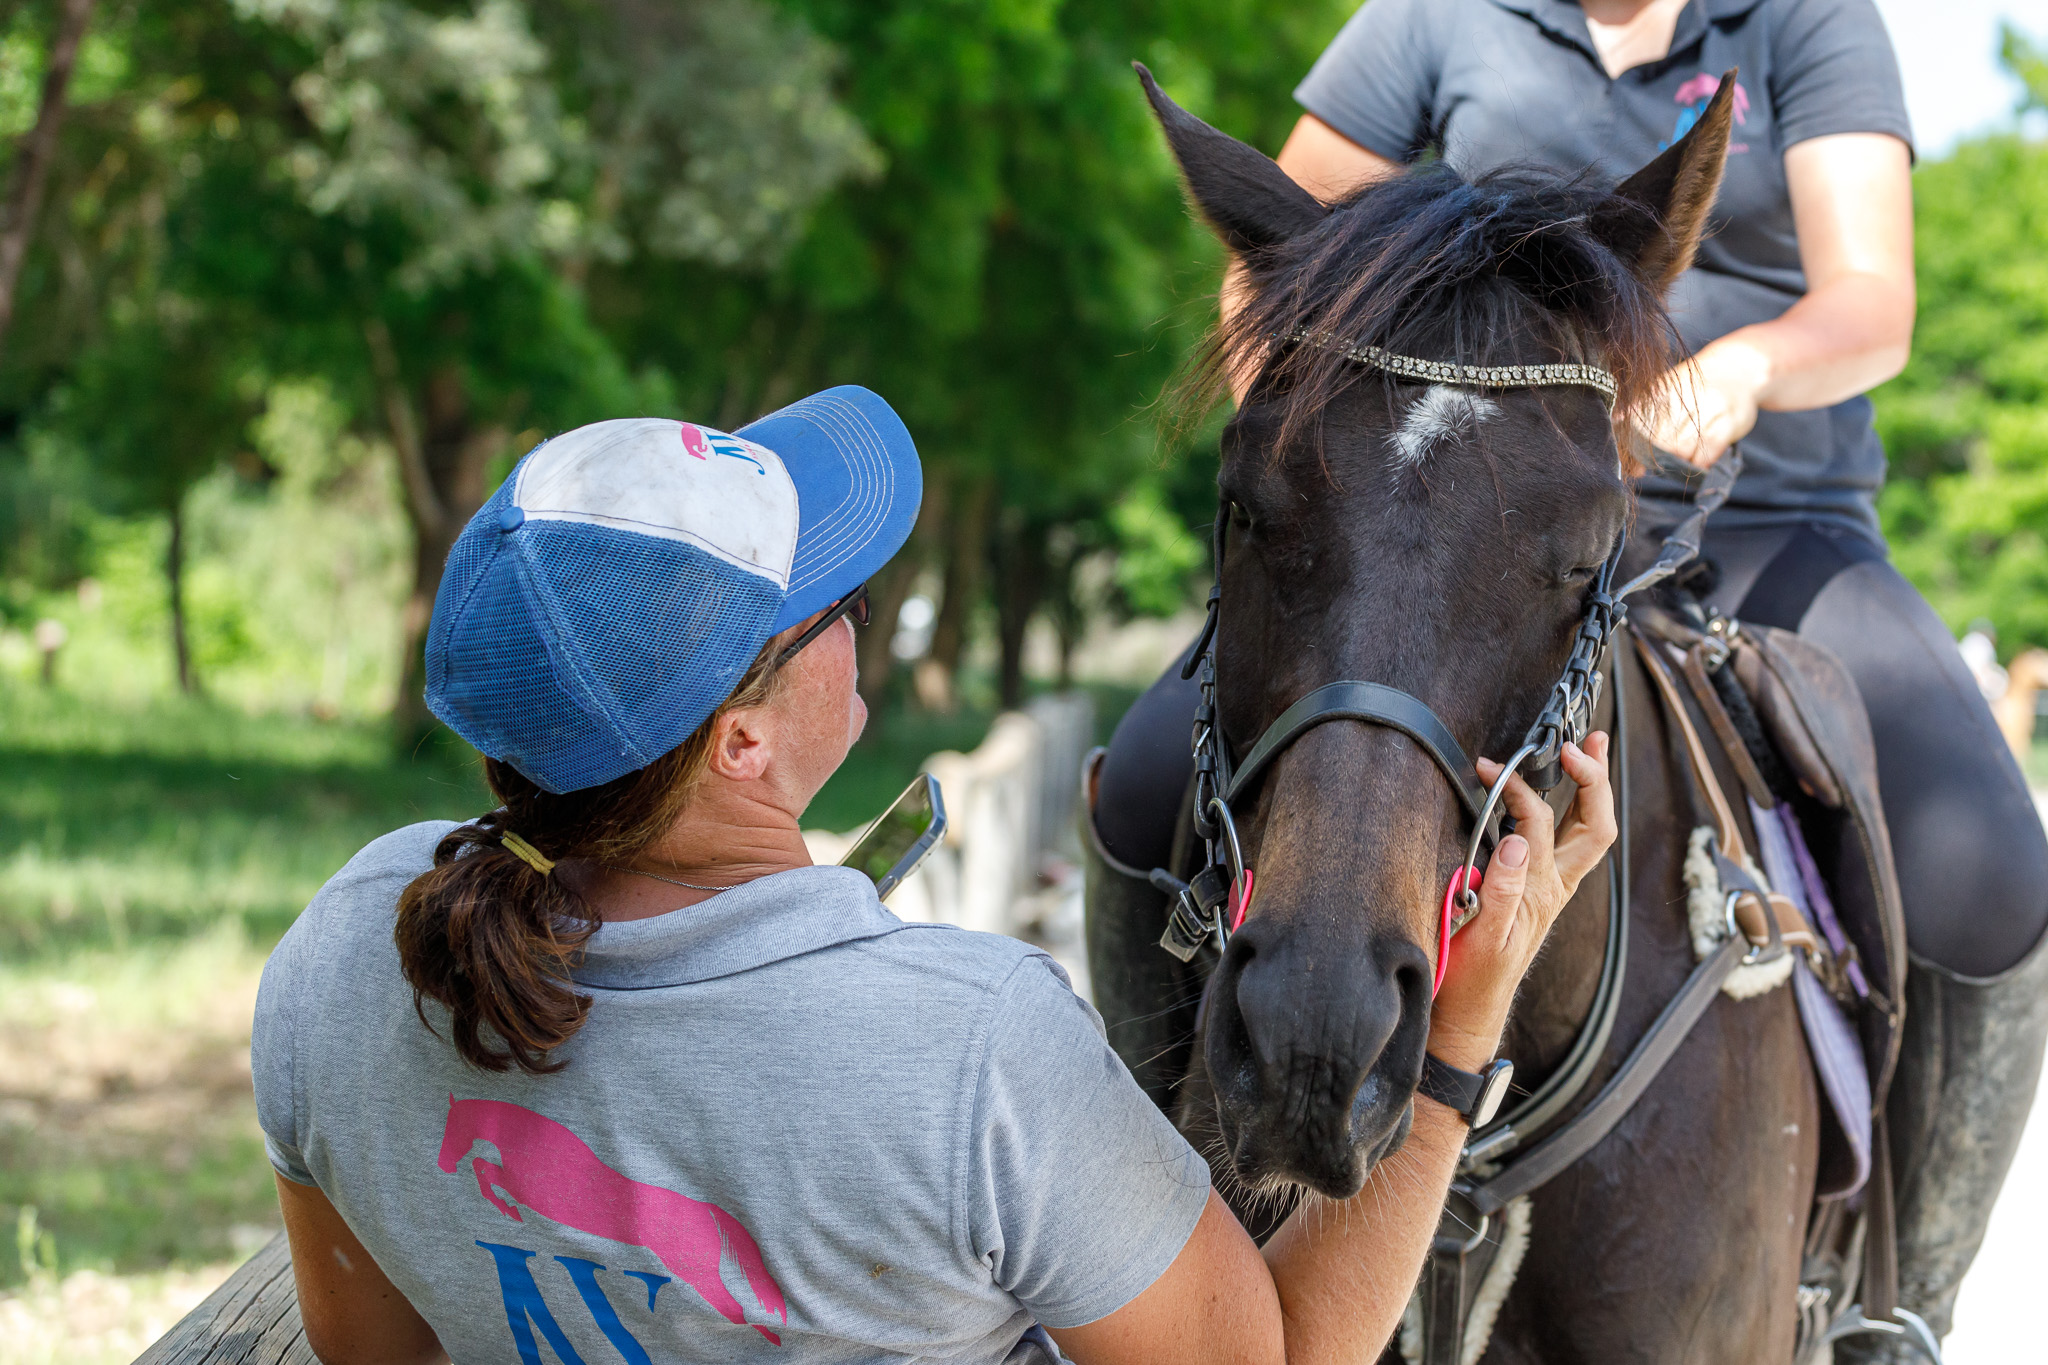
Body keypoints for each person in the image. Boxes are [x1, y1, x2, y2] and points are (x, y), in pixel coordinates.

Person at [251, 387, 1616, 1364]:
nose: (863, 618)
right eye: (834, 605)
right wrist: (1456, 1040)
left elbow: (370, 1345)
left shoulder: (345, 949)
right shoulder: (971, 1050)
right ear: (740, 741)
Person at [1091, 1, 2048, 1355]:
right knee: (1143, 779)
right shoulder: (1434, 18)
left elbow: (1872, 302)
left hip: (1770, 513)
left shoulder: (1807, 20)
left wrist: (1739, 370)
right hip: (1472, 513)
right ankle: (1136, 1217)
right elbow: (1282, 258)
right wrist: (1323, 441)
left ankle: (1901, 1309)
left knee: (1987, 863)